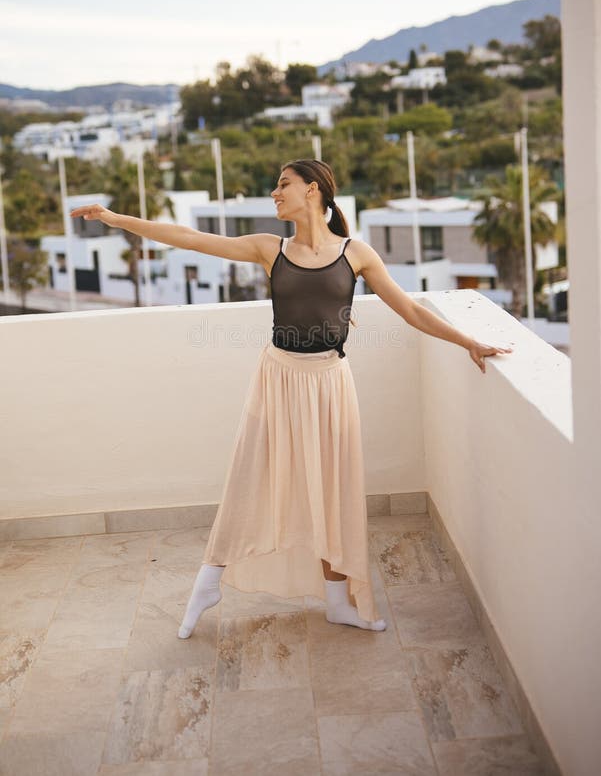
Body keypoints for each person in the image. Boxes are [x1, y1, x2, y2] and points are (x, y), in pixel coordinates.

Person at [70, 158, 512, 638]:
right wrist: (115, 220)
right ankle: (208, 583)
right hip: (278, 376)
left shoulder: (356, 254)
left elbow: (409, 310)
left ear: (314, 190)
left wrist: (467, 340)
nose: (275, 193)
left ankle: (338, 602)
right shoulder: (269, 248)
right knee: (249, 478)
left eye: (283, 184)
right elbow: (190, 238)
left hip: (330, 383)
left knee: (334, 490)